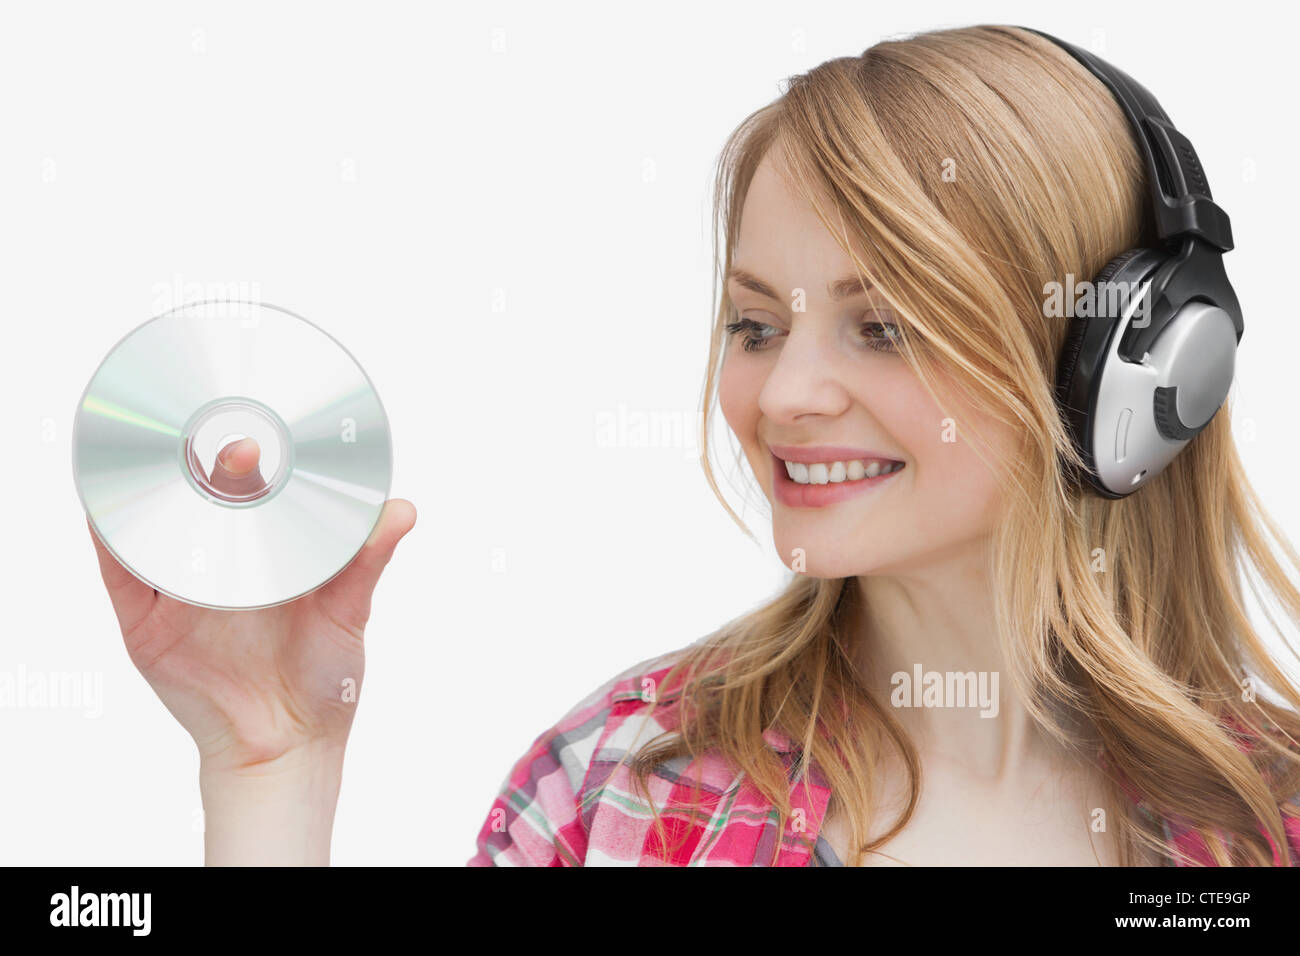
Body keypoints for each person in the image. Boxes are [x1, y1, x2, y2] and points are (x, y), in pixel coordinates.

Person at [89, 24, 1300, 866]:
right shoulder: (618, 785)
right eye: (756, 324)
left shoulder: (1271, 814)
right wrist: (270, 767)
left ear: (1133, 373)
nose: (784, 393)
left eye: (883, 326)